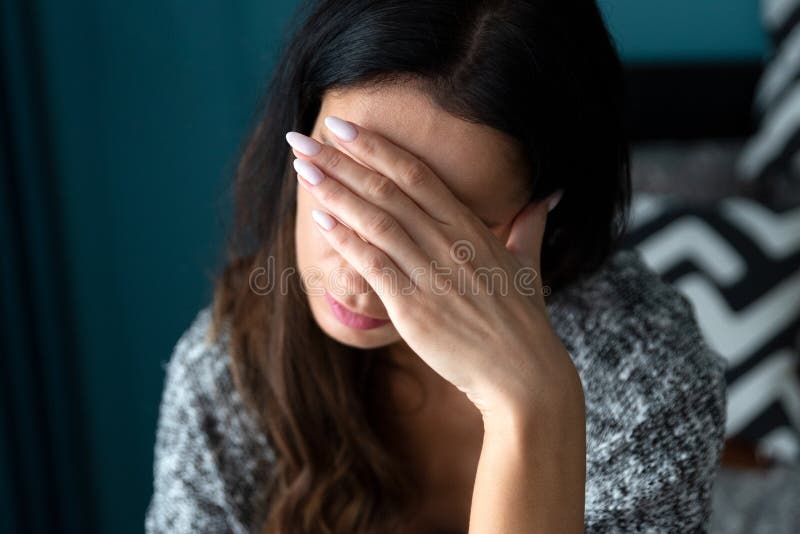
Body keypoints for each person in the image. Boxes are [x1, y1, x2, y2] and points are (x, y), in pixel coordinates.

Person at [145, 1, 727, 532]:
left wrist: (532, 404)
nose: (354, 280)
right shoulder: (230, 375)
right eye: (341, 185)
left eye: (437, 228)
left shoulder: (646, 378)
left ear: (542, 216)